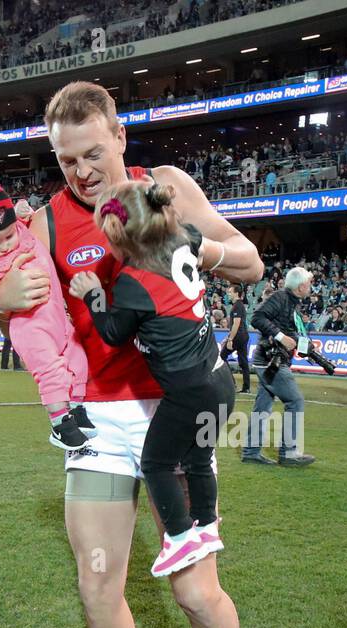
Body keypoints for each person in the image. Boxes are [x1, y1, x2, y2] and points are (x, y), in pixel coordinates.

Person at [0, 81, 281, 628]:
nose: (82, 172)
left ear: (121, 137)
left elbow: (250, 262)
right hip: (99, 417)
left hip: (177, 409)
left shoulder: (166, 186)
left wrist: (190, 245)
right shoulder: (46, 224)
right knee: (97, 586)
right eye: (66, 162)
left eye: (93, 153)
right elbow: (21, 318)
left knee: (193, 590)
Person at [68, 181, 236, 577]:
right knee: (197, 460)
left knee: (156, 463)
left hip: (188, 391)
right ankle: (207, 526)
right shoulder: (185, 237)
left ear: (122, 242)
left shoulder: (132, 280)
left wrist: (94, 294)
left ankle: (178, 538)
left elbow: (113, 333)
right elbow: (194, 237)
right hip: (219, 380)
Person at [0, 162, 93, 447]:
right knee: (50, 369)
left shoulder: (20, 231)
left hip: (57, 316)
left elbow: (22, 218)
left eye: (8, 236)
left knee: (78, 357)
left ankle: (78, 409)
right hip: (28, 325)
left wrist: (22, 211)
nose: (5, 246)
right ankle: (59, 421)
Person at [241, 266, 317, 466]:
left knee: (263, 405)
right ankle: (289, 453)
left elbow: (284, 327)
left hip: (268, 360)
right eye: (308, 283)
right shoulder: (281, 297)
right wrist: (281, 336)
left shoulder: (290, 302)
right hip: (271, 360)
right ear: (300, 287)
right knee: (295, 401)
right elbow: (257, 317)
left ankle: (251, 451)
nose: (311, 286)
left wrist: (298, 342)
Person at [219, 286, 251, 393]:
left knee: (222, 357)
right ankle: (246, 387)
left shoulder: (237, 306)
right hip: (243, 335)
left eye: (230, 292)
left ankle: (232, 384)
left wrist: (230, 339)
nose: (228, 294)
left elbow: (236, 324)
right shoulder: (239, 305)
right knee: (243, 362)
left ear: (236, 293)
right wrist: (228, 337)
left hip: (238, 336)